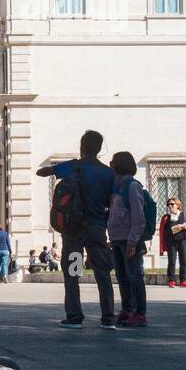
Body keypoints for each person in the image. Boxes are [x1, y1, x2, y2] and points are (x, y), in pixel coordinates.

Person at [37, 130, 116, 330]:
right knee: (102, 272)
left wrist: (58, 171)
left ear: (81, 146)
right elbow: (112, 202)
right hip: (97, 228)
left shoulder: (74, 167)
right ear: (99, 149)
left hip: (74, 230)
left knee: (73, 272)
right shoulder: (108, 173)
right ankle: (108, 317)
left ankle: (74, 316)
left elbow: (42, 172)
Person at [108, 151, 149, 327]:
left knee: (135, 276)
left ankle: (140, 313)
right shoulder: (116, 187)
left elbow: (138, 217)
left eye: (113, 162)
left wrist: (133, 241)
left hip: (129, 240)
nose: (110, 164)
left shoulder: (132, 186)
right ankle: (127, 309)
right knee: (122, 276)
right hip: (117, 239)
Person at [159, 196, 186, 287]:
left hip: (182, 240)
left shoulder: (184, 215)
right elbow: (164, 231)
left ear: (177, 205)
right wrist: (177, 228)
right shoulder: (166, 217)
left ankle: (183, 280)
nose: (170, 206)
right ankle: (171, 280)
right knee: (172, 260)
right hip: (171, 241)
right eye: (168, 204)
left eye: (172, 204)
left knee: (183, 260)